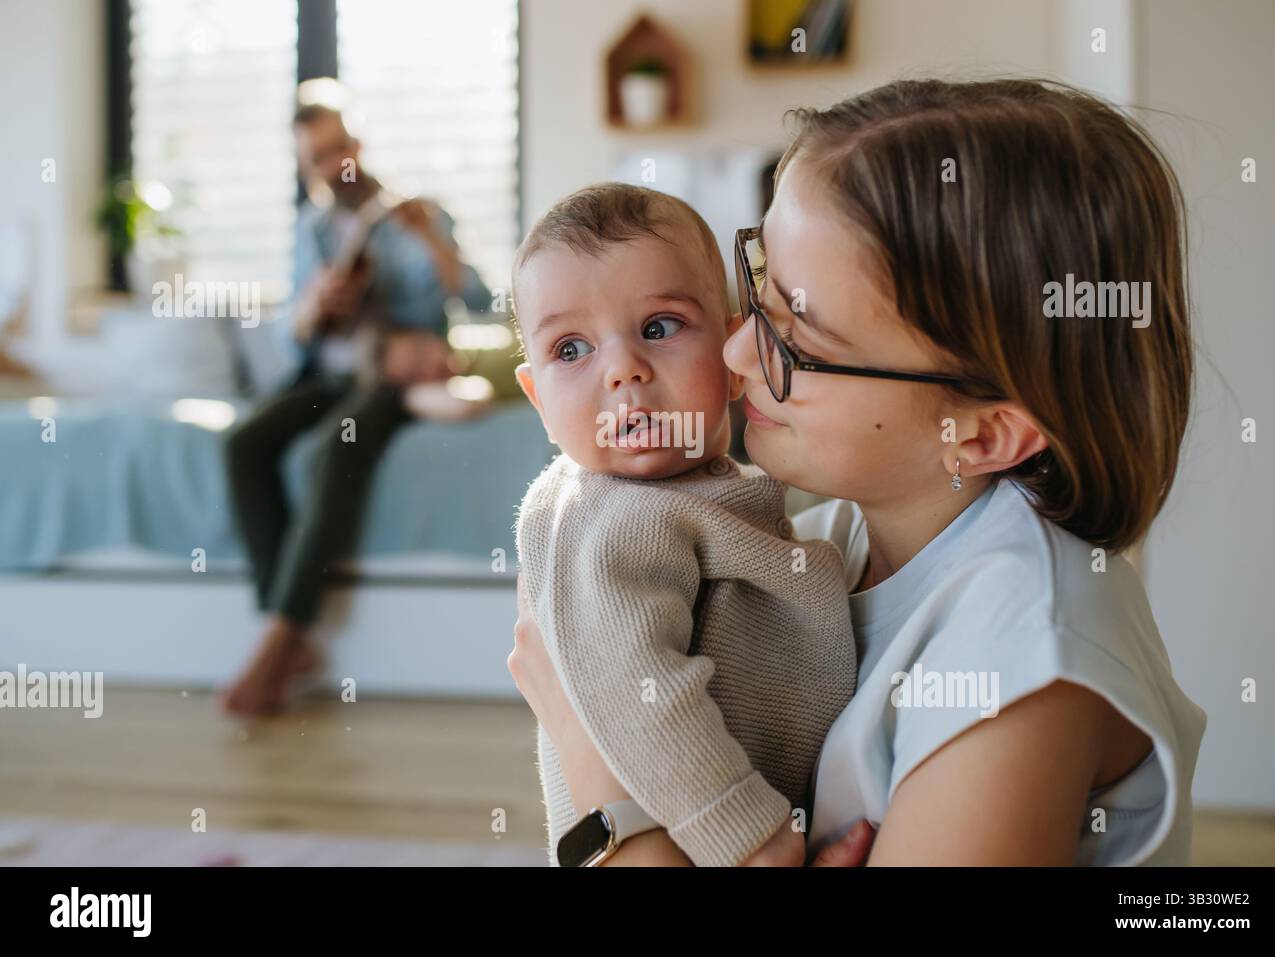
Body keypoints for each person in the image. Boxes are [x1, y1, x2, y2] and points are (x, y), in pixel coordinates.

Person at [507, 78, 1207, 866]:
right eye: (761, 290)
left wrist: (588, 757)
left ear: (983, 434)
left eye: (801, 338)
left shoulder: (1019, 678)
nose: (737, 353)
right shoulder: (834, 536)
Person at [511, 183, 857, 866]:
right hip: (694, 838)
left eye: (659, 328)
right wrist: (752, 839)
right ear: (537, 400)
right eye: (571, 349)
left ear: (732, 353)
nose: (624, 371)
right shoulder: (598, 516)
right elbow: (633, 686)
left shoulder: (702, 494)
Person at [221, 81, 492, 715]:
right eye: (316, 157)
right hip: (325, 375)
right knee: (243, 444)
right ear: (303, 166)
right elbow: (294, 339)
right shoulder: (311, 229)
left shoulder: (418, 214)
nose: (331, 165)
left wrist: (433, 244)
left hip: (391, 377)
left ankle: (284, 635)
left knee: (331, 448)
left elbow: (479, 300)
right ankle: (285, 625)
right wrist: (312, 311)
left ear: (358, 145)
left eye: (338, 148)